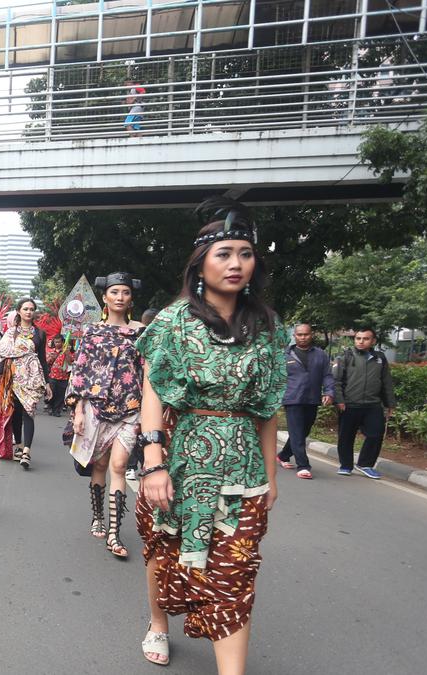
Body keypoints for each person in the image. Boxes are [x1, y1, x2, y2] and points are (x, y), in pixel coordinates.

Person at [134, 197, 286, 671]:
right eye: (224, 254)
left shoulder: (267, 326)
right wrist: (154, 464)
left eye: (245, 253)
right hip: (180, 458)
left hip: (244, 468)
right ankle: (158, 623)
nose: (236, 263)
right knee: (164, 548)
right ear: (200, 263)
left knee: (237, 572)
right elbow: (154, 391)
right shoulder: (173, 321)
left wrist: (270, 476)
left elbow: (267, 409)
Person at [66, 273, 145, 560]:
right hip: (95, 408)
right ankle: (98, 516)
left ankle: (114, 532)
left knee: (120, 466)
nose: (120, 297)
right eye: (115, 292)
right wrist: (77, 411)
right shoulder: (92, 332)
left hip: (130, 407)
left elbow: (149, 372)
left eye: (125, 292)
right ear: (105, 298)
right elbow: (80, 371)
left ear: (131, 298)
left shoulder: (142, 332)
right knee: (99, 464)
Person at [0, 298, 51, 470]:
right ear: (19, 311)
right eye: (25, 309)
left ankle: (27, 451)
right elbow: (3, 355)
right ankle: (19, 445)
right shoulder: (11, 333)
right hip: (12, 377)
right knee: (16, 412)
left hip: (32, 377)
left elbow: (43, 360)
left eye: (32, 309)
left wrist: (47, 383)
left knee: (29, 411)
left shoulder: (40, 334)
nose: (29, 312)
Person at [333, 327, 396, 479]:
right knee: (346, 436)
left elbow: (386, 381)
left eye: (366, 339)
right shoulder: (346, 356)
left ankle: (365, 464)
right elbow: (336, 381)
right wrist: (339, 400)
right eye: (358, 338)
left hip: (373, 404)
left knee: (376, 434)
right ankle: (345, 465)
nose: (361, 341)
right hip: (349, 404)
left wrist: (390, 403)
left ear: (373, 341)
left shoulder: (380, 358)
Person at [276, 323, 334, 480]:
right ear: (294, 336)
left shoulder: (320, 354)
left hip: (312, 399)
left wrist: (329, 392)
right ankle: (303, 466)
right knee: (296, 433)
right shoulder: (285, 355)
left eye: (306, 334)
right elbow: (277, 378)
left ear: (311, 335)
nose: (303, 337)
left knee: (303, 432)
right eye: (299, 335)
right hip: (292, 399)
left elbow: (327, 375)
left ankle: (283, 455)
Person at [46, 333, 70, 416]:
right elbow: (46, 362)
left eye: (59, 342)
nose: (57, 344)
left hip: (64, 377)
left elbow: (70, 362)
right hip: (52, 376)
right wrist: (51, 357)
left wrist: (67, 354)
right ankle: (51, 407)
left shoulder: (66, 351)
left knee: (60, 395)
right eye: (56, 342)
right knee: (52, 393)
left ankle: (57, 411)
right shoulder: (51, 351)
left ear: (62, 342)